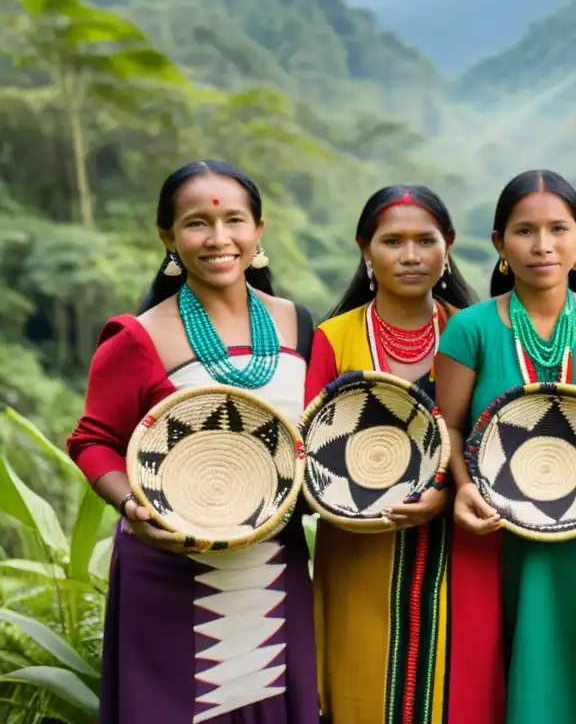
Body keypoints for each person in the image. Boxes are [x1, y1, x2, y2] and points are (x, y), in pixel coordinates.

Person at [66, 160, 319, 723]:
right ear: (169, 238)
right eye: (197, 224)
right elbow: (93, 441)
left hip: (274, 566)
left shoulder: (297, 324)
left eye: (234, 220)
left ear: (259, 230)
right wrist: (132, 505)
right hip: (172, 570)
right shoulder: (137, 336)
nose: (219, 238)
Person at [434, 169, 576, 724]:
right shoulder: (470, 330)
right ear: (499, 245)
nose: (543, 246)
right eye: (524, 231)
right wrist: (464, 491)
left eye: (558, 229)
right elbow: (449, 427)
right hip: (501, 534)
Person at [303, 185, 476, 724]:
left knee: (454, 692)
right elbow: (305, 450)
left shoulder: (471, 331)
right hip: (358, 553)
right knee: (362, 692)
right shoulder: (332, 339)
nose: (410, 255)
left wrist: (444, 496)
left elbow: (498, 441)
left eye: (425, 240)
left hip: (458, 553)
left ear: (447, 247)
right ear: (365, 249)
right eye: (392, 240)